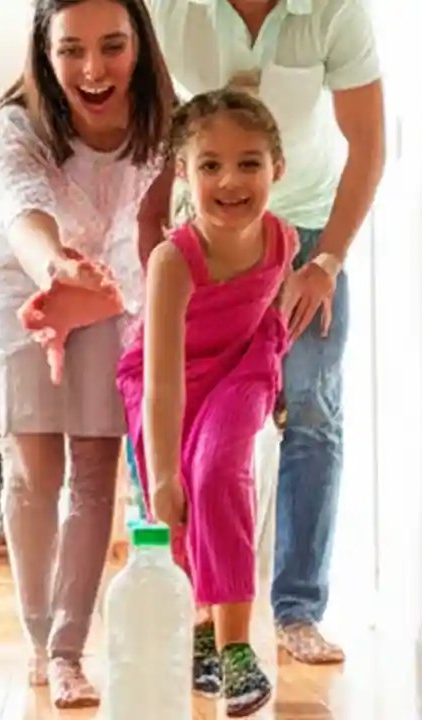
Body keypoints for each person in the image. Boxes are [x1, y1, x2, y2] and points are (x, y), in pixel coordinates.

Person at [144, 0, 386, 663]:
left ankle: (298, 611)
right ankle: (194, 613)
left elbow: (367, 143)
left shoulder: (333, 12)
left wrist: (327, 261)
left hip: (304, 231)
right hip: (207, 237)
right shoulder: (168, 8)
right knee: (184, 423)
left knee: (311, 409)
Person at [0, 0, 175, 708]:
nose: (93, 71)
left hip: (114, 285)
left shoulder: (161, 128)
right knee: (33, 467)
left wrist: (126, 297)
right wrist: (55, 268)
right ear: (44, 49)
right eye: (71, 50)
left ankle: (67, 652)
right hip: (25, 283)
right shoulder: (17, 126)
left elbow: (156, 234)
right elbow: (22, 213)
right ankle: (35, 639)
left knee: (96, 466)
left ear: (140, 46)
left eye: (113, 46)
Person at [116, 88, 296, 718]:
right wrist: (162, 471)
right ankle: (201, 629)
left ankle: (237, 648)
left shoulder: (284, 241)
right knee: (182, 499)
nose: (230, 180)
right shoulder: (174, 260)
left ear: (279, 168)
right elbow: (164, 377)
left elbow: (269, 307)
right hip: (168, 378)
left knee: (221, 470)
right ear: (185, 175)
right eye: (210, 165)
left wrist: (274, 388)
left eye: (250, 163)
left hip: (243, 367)